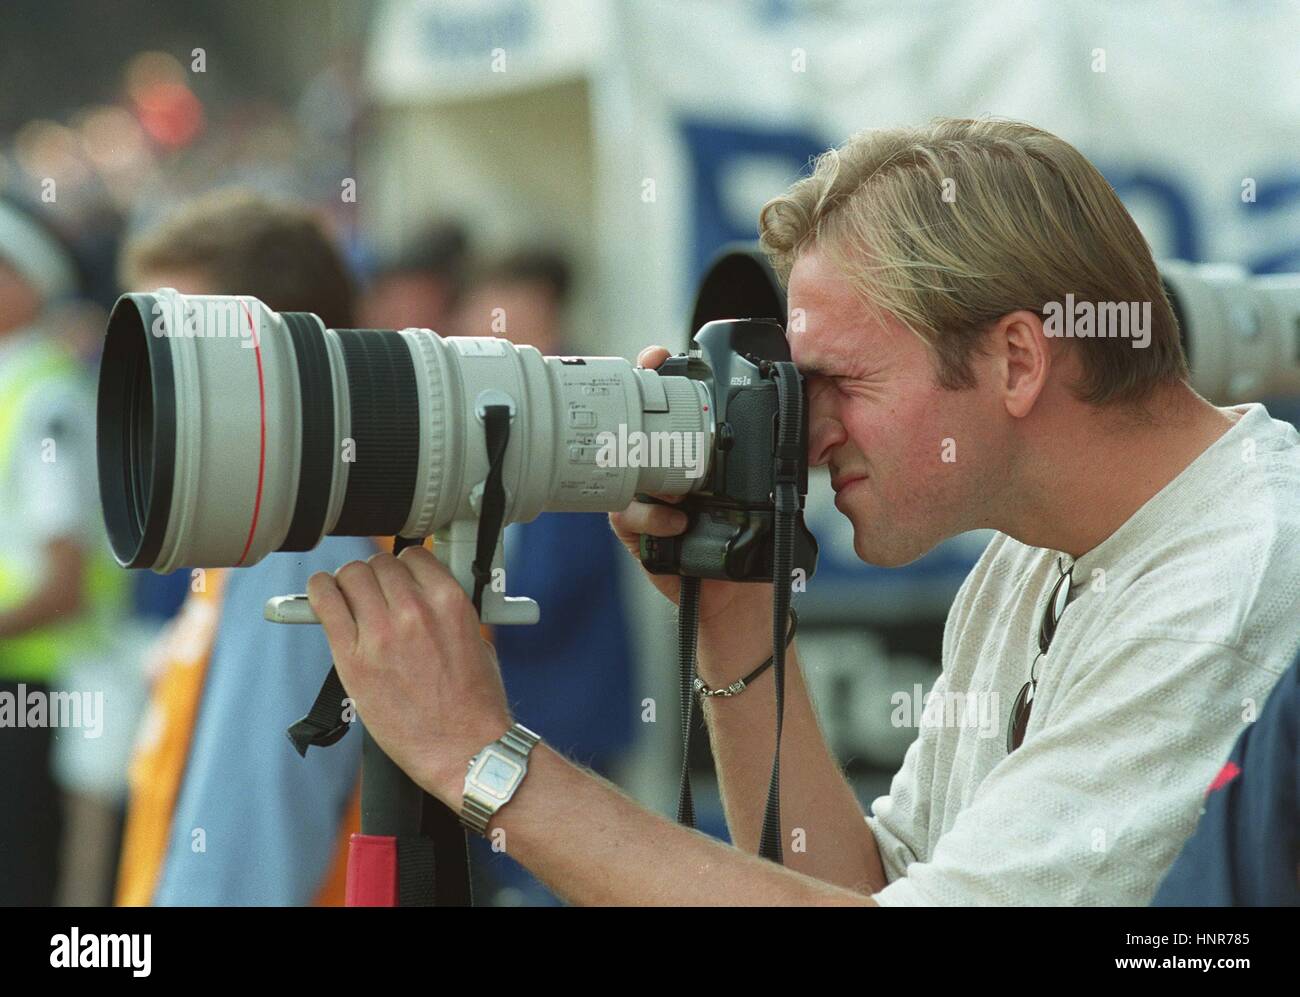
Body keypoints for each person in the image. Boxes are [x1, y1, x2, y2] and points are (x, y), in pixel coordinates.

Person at [305, 117, 1300, 905]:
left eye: (839, 381)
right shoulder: (1042, 552)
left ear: (1016, 360)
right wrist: (738, 620)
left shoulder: (1242, 572)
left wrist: (479, 758)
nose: (805, 430)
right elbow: (865, 888)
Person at [114, 189, 373, 905]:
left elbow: (241, 860)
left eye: (178, 355)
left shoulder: (297, 552)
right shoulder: (264, 533)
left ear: (274, 368)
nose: (144, 388)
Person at [0, 197, 127, 906]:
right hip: (21, 676)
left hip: (35, 689)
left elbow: (65, 580)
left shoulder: (47, 394)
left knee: (25, 878)